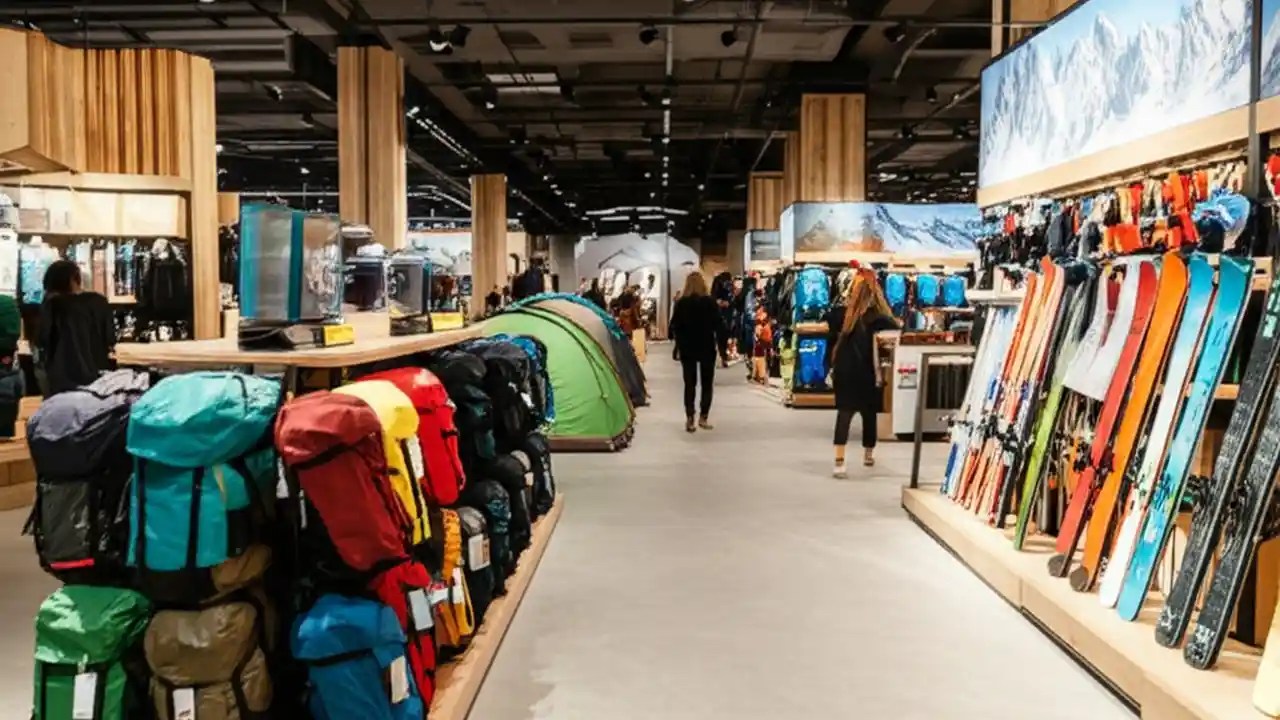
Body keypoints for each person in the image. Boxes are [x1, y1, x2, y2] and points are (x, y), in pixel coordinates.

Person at [826, 277, 899, 477]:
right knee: (869, 414)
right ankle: (868, 454)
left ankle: (839, 462)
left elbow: (829, 323)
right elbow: (895, 333)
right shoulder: (879, 318)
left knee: (844, 415)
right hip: (868, 372)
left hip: (844, 371)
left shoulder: (843, 316)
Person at [36, 260, 116, 397]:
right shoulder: (99, 302)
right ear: (76, 278)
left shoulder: (52, 307)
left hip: (61, 383)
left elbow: (42, 341)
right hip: (98, 381)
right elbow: (110, 339)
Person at [669, 271, 720, 433]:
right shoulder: (710, 303)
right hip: (706, 347)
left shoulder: (682, 304)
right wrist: (723, 345)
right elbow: (719, 325)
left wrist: (677, 343)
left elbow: (673, 327)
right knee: (707, 384)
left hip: (688, 348)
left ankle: (690, 418)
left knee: (689, 384)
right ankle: (703, 417)